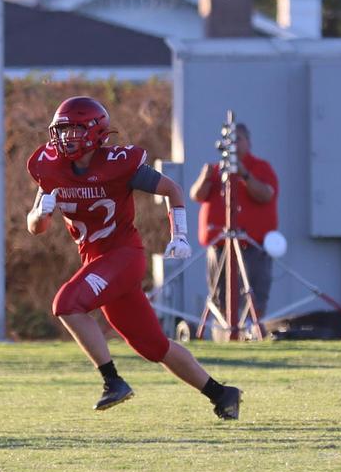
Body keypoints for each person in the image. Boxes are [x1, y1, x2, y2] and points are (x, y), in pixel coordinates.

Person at [26, 96, 242, 418]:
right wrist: (40, 215)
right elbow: (36, 227)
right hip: (97, 261)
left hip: (123, 256)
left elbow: (172, 190)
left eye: (73, 130)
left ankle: (112, 381)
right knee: (152, 346)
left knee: (66, 303)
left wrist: (179, 235)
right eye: (62, 131)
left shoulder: (117, 162)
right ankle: (222, 394)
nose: (66, 138)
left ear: (96, 132)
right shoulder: (49, 166)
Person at [188, 120, 279, 337]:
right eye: (229, 140)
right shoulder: (217, 170)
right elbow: (196, 195)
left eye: (238, 139)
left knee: (254, 291)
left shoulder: (260, 168)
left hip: (252, 245)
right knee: (220, 294)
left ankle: (252, 331)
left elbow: (266, 194)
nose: (233, 144)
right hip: (220, 245)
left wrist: (244, 174)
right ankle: (225, 332)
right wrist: (205, 177)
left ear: (248, 142)